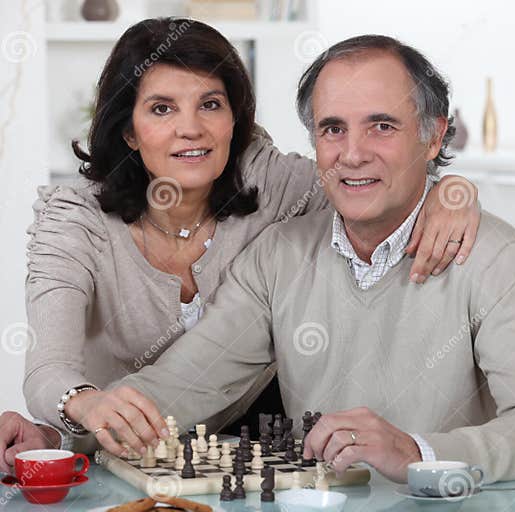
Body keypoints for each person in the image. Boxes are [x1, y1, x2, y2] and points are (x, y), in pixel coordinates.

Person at [67, 34, 515, 484]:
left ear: (433, 136)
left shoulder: (490, 253)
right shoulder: (279, 254)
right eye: (332, 128)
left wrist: (417, 452)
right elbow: (183, 384)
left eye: (382, 126)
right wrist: (62, 429)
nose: (353, 152)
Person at [0, 20, 481, 473]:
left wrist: (449, 190)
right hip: (122, 443)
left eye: (210, 104)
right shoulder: (74, 219)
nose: (191, 128)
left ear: (235, 117)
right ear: (129, 130)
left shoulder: (271, 183)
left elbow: (367, 178)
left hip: (254, 440)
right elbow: (49, 368)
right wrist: (82, 408)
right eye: (162, 108)